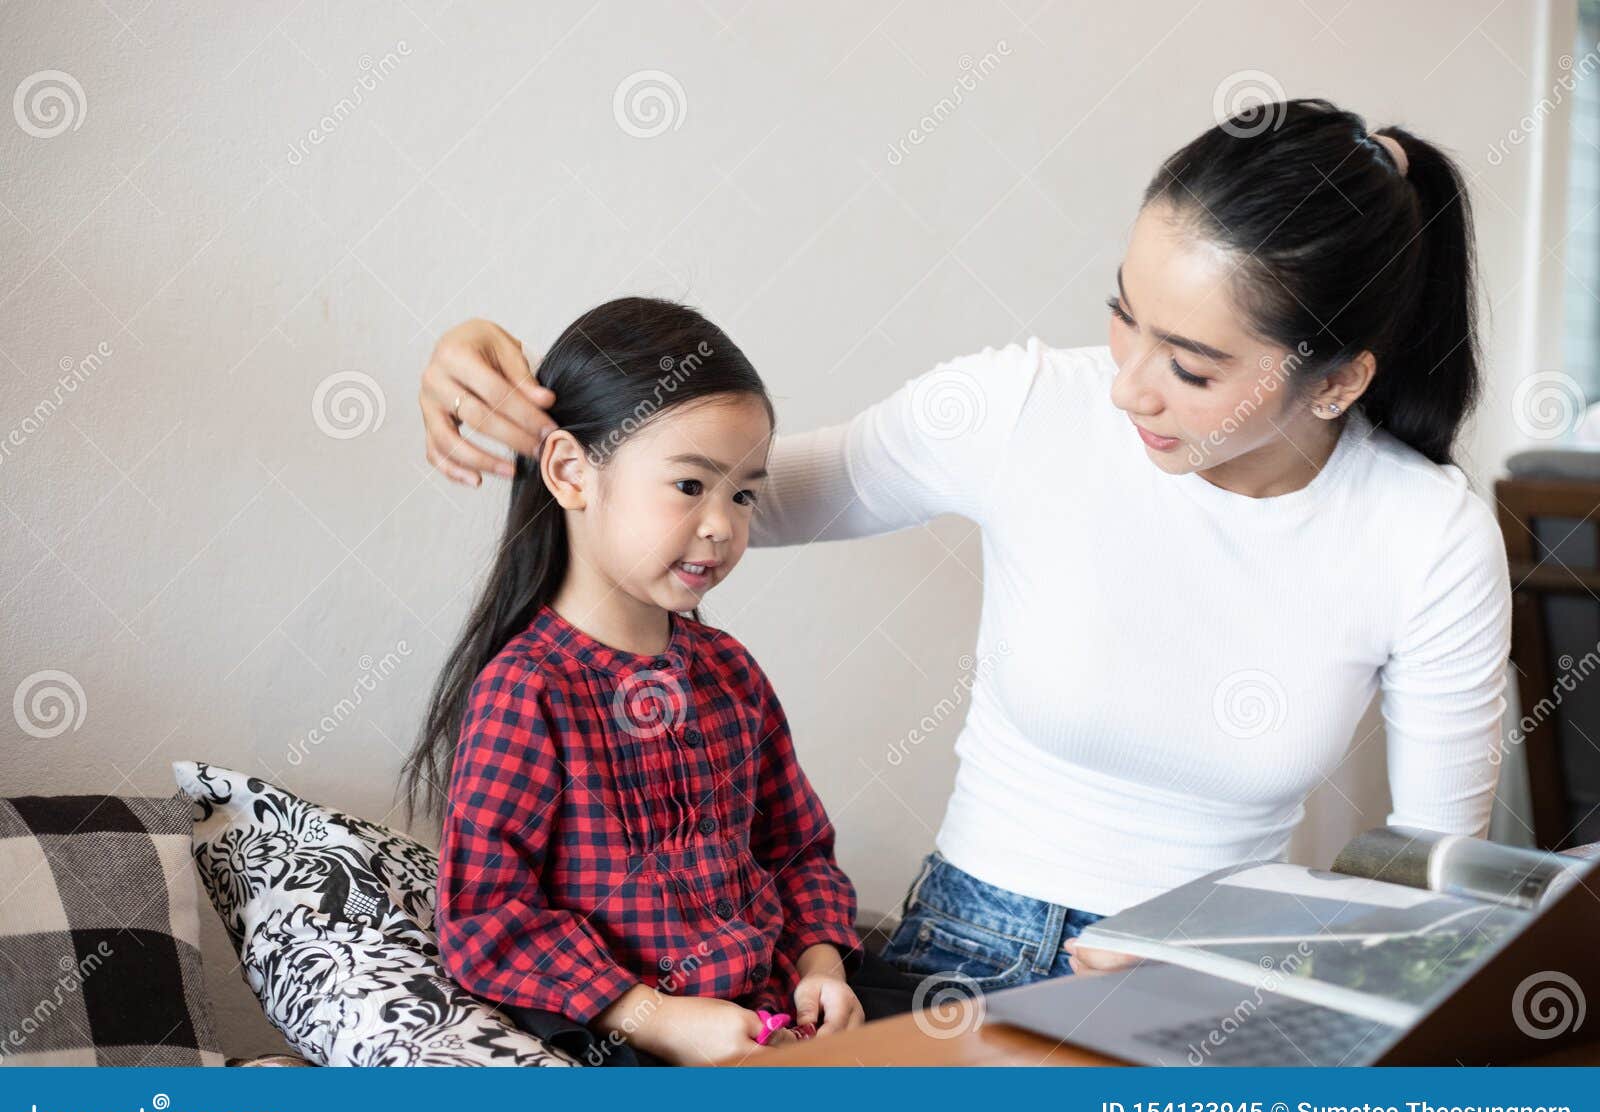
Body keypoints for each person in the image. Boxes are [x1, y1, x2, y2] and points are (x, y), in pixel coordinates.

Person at [414, 99, 1512, 990]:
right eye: (1122, 313)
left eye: (1190, 365)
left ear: (1338, 378)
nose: (1125, 382)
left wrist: (1225, 945)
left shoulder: (1427, 536)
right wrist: (514, 386)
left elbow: (1430, 898)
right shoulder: (1025, 404)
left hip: (1206, 991)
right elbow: (701, 491)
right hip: (963, 959)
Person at [402, 297, 919, 1067]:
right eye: (690, 486)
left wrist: (820, 962)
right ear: (572, 473)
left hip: (776, 1018)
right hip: (633, 1038)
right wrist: (661, 1018)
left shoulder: (730, 672)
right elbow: (487, 918)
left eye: (742, 494)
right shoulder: (529, 691)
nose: (722, 525)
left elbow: (798, 848)